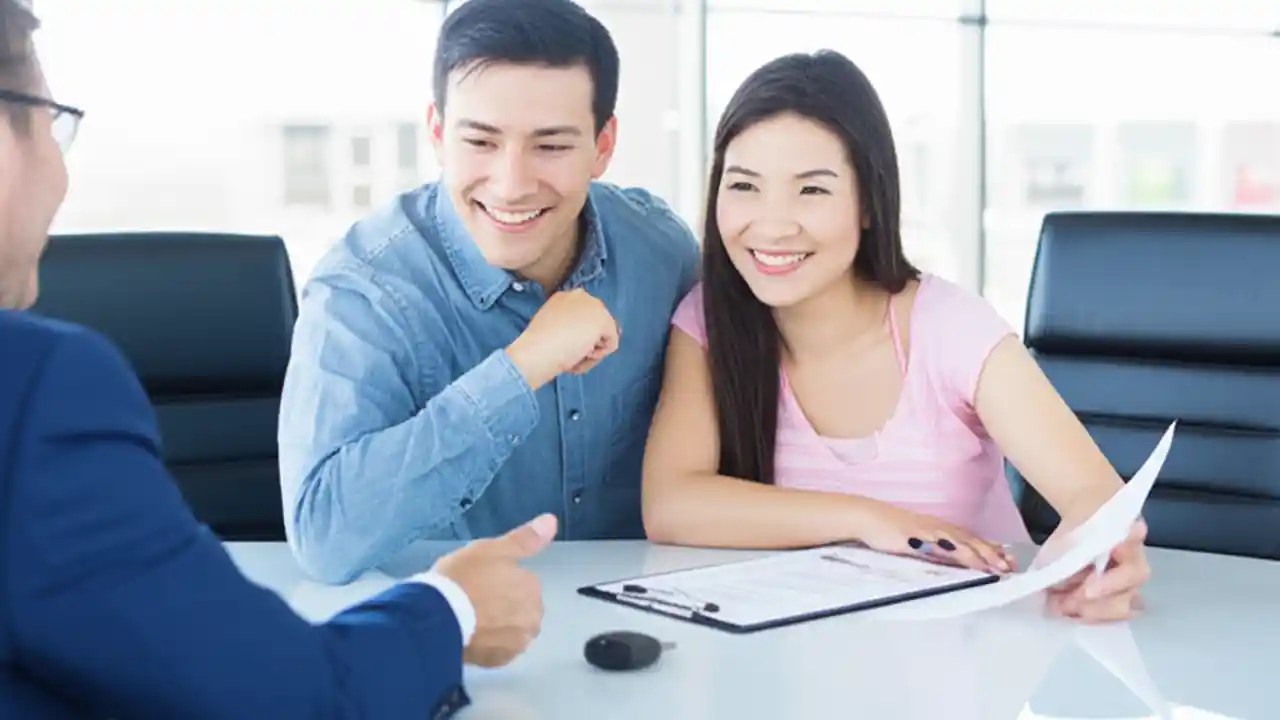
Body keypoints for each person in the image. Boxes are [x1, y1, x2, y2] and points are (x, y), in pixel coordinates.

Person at [0, 3, 552, 717]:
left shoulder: (653, 249)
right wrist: (452, 607)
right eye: (52, 123)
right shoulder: (35, 389)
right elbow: (291, 697)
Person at [640, 50, 1150, 623]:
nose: (772, 224)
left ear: (867, 203)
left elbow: (1096, 497)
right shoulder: (708, 321)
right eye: (745, 186)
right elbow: (672, 504)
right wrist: (869, 518)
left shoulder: (948, 327)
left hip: (968, 665)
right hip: (790, 667)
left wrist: (1093, 555)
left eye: (812, 190)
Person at [278, 0, 699, 583]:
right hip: (458, 635)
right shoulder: (364, 287)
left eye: (550, 146)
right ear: (437, 133)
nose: (511, 184)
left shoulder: (662, 252)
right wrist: (522, 367)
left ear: (603, 147)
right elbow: (324, 536)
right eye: (480, 142)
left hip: (642, 630)